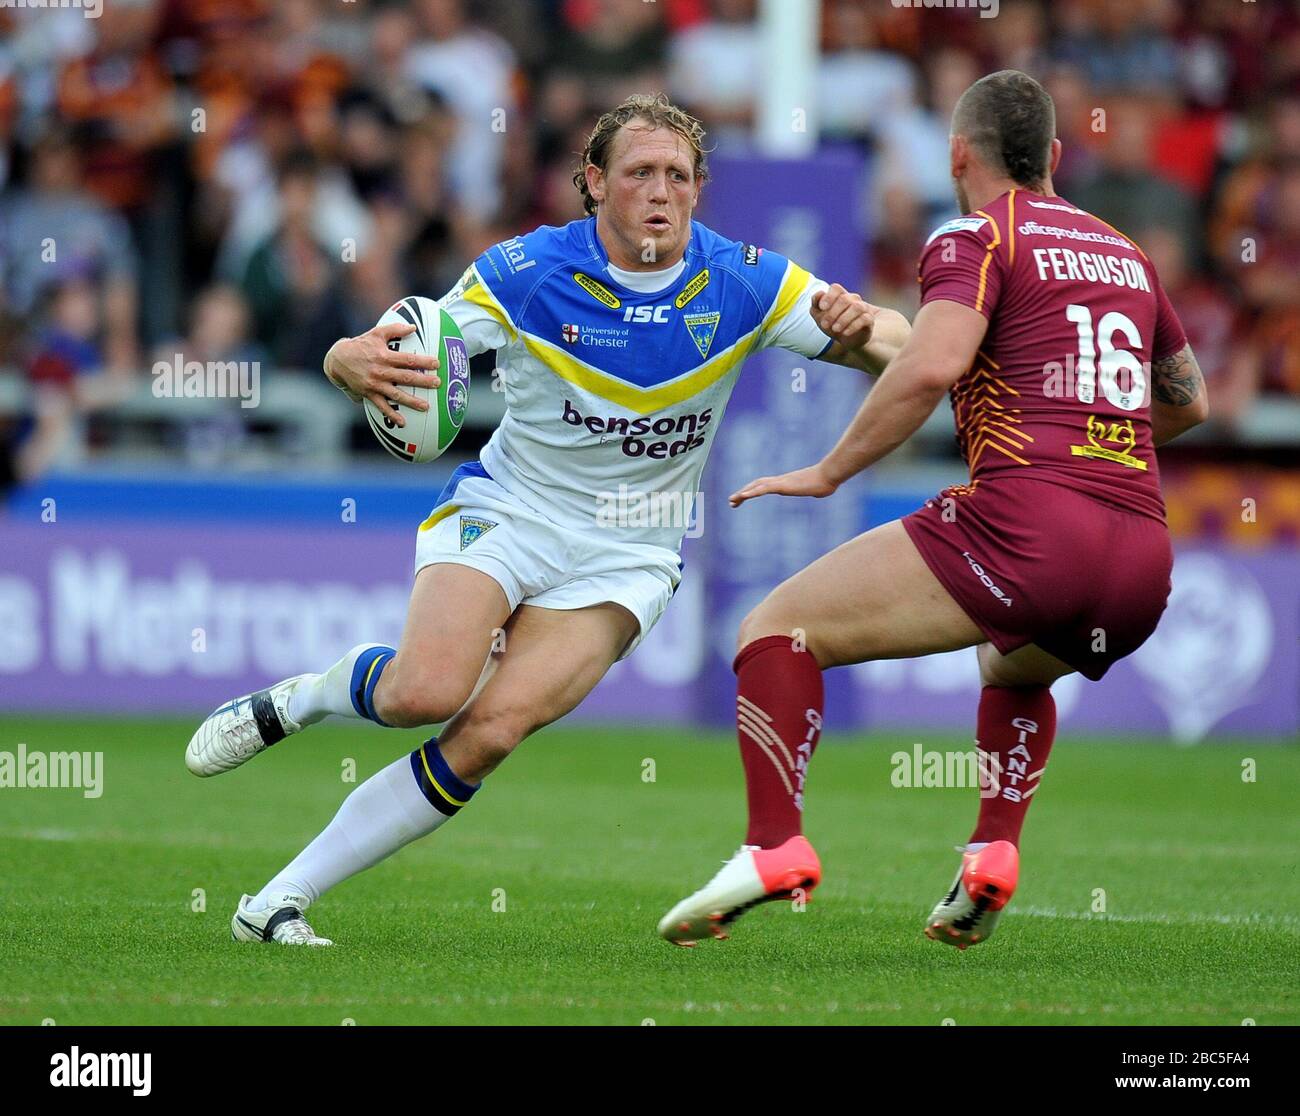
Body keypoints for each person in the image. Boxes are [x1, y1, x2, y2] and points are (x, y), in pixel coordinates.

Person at [183, 93, 910, 946]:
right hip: (511, 512)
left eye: (678, 175)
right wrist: (346, 361)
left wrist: (865, 328)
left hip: (629, 551)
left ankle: (273, 904)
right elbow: (408, 344)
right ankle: (303, 699)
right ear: (595, 183)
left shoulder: (744, 279)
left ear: (699, 190)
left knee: (490, 732)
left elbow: (901, 344)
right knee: (425, 692)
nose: (661, 191)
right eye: (641, 172)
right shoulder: (527, 270)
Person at [660, 70, 1209, 951]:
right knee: (1016, 673)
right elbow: (1187, 403)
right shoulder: (1124, 252)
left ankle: (772, 847)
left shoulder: (975, 235)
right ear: (1056, 158)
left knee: (776, 631)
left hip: (1032, 523)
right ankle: (993, 854)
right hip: (1142, 555)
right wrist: (1088, 436)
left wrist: (827, 472)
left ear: (956, 154)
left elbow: (928, 366)